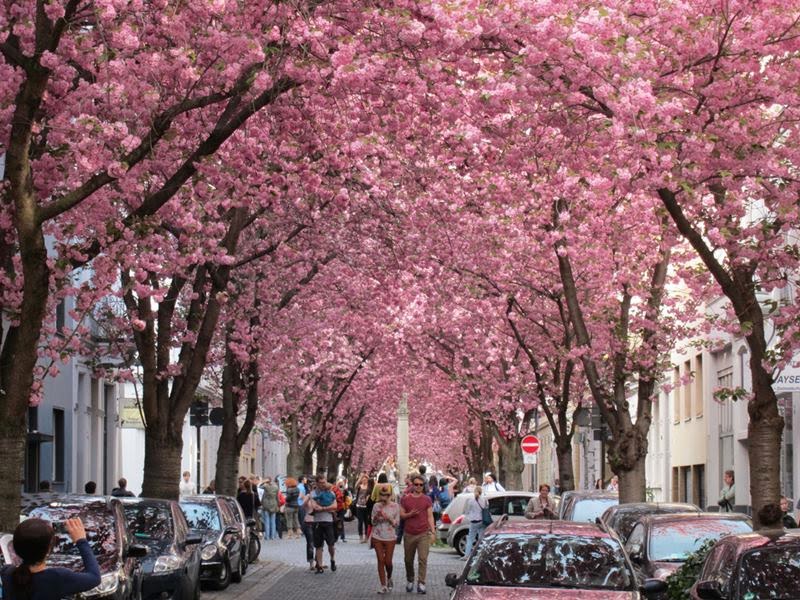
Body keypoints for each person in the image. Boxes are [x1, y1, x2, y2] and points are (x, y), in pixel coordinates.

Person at [1, 517, 101, 600]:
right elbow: (94, 577)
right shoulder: (57, 578)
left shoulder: (6, 574)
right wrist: (81, 540)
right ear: (49, 549)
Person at [400, 473, 435, 595]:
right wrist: (410, 514)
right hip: (409, 534)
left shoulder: (427, 499)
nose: (419, 486)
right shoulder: (405, 499)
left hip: (423, 534)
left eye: (421, 484)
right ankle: (410, 579)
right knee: (408, 560)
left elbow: (430, 516)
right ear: (412, 485)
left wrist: (433, 531)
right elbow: (402, 515)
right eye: (416, 484)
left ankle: (421, 583)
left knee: (423, 559)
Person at [371, 483, 400, 594]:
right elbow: (372, 522)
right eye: (382, 495)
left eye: (386, 495)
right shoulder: (376, 506)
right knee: (380, 560)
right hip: (377, 535)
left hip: (390, 537)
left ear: (390, 495)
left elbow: (397, 524)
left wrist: (389, 518)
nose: (384, 497)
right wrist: (377, 517)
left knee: (388, 561)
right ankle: (383, 585)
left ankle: (389, 577)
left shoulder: (395, 506)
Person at [308, 474, 338, 573]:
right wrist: (327, 507)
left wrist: (324, 508)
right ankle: (319, 566)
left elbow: (335, 506)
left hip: (328, 521)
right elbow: (315, 506)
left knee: (331, 544)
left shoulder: (331, 492)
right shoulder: (313, 493)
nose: (322, 485)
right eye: (320, 483)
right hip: (317, 522)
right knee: (318, 545)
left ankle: (332, 559)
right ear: (317, 483)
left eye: (324, 482)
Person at [463, 485, 488, 560]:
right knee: (481, 538)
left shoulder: (470, 500)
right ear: (481, 492)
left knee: (470, 538)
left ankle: (467, 555)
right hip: (481, 520)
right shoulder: (484, 500)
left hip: (473, 521)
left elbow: (467, 511)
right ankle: (480, 555)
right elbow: (486, 508)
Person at [354, 473, 372, 543]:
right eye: (363, 480)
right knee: (360, 522)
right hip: (359, 506)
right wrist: (361, 477)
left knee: (366, 522)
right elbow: (355, 486)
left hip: (366, 506)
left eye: (366, 480)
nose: (364, 481)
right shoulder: (359, 486)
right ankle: (360, 537)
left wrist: (367, 476)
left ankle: (366, 537)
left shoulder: (369, 487)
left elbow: (373, 484)